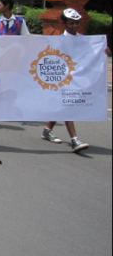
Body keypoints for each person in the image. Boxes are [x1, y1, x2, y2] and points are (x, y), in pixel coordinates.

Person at [40, 8, 92, 152]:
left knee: (63, 105)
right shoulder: (58, 41)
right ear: (64, 23)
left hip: (78, 78)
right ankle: (74, 140)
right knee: (67, 105)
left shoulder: (84, 40)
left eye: (76, 23)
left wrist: (103, 51)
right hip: (62, 79)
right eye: (71, 23)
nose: (74, 26)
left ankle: (47, 130)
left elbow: (93, 54)